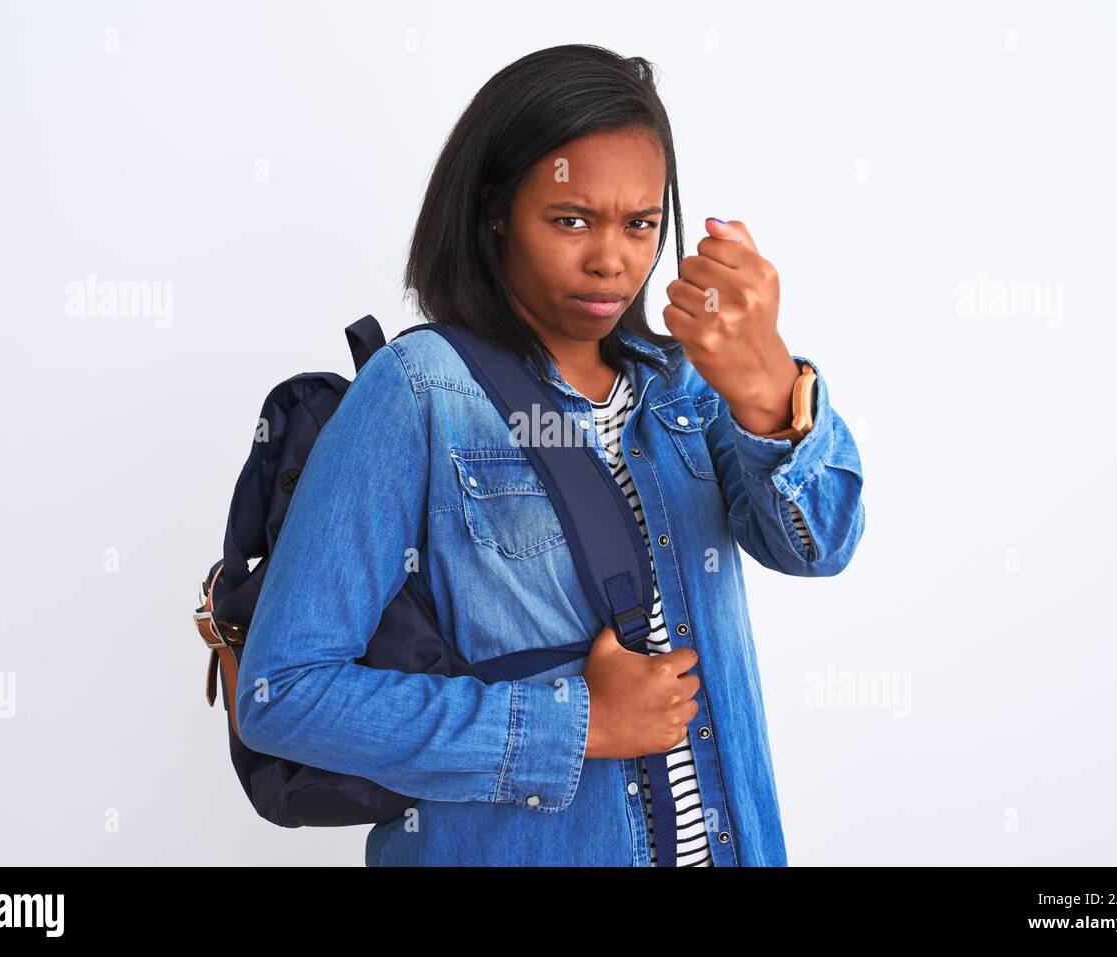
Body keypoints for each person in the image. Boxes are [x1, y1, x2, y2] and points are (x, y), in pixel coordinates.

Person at [235, 43, 866, 867]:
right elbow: (283, 693)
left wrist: (768, 385)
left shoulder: (682, 385)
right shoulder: (420, 393)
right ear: (496, 211)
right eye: (572, 220)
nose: (612, 259)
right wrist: (576, 725)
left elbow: (820, 547)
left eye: (641, 224)